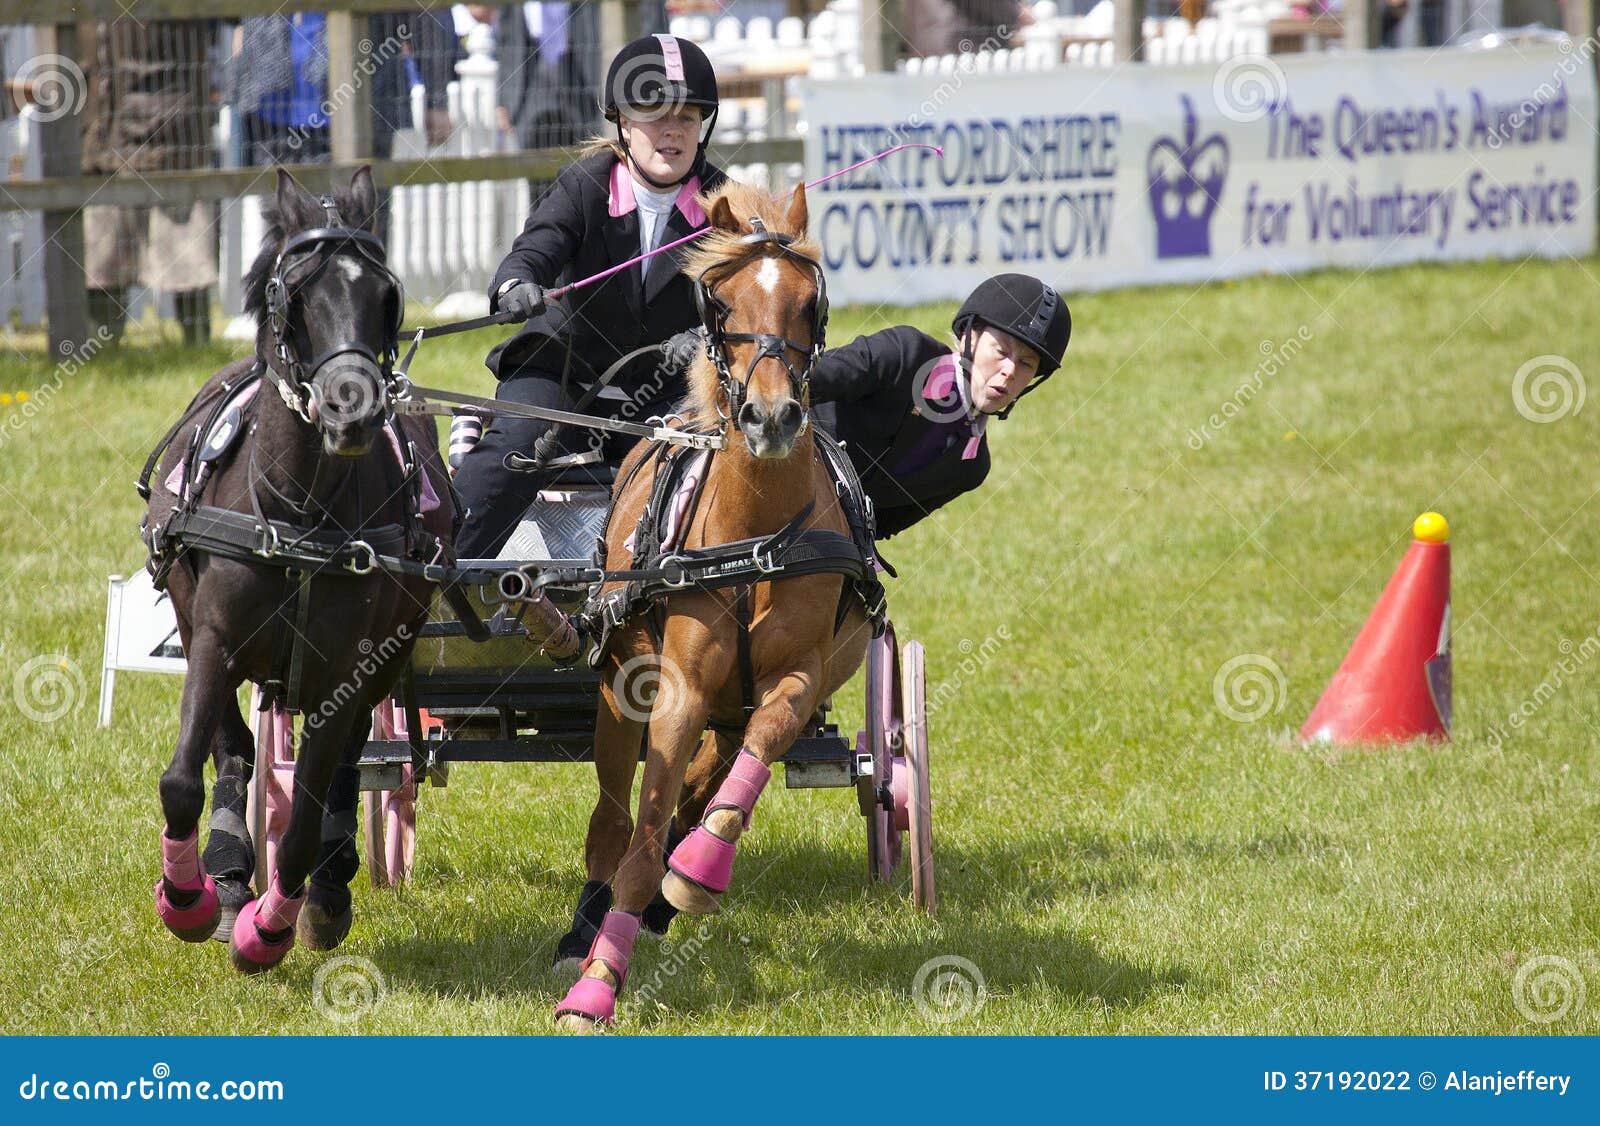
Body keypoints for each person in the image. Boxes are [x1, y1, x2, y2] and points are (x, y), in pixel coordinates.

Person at [453, 33, 726, 559]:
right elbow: (535, 249)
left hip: (665, 392)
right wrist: (516, 285)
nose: (672, 131)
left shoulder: (723, 207)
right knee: (520, 444)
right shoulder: (586, 184)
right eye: (655, 115)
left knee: (703, 463)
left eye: (688, 118)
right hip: (562, 371)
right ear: (623, 122)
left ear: (703, 128)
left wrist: (700, 339)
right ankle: (443, 570)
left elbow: (739, 306)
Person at [809, 273, 1072, 539]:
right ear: (970, 337)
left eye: (1027, 364)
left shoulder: (972, 467)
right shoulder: (902, 354)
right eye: (1001, 352)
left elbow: (876, 529)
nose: (1010, 370)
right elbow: (802, 383)